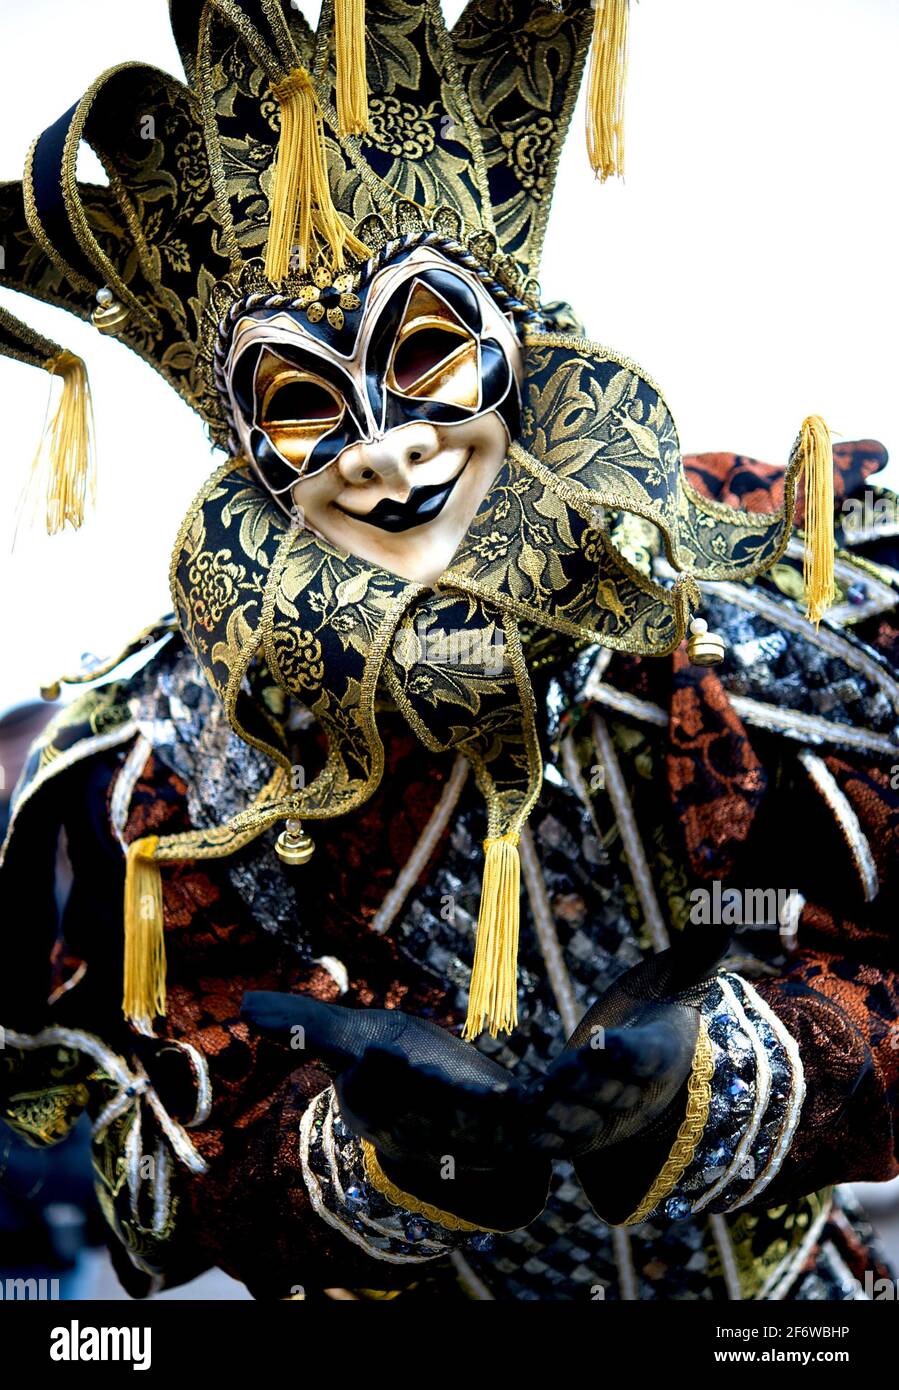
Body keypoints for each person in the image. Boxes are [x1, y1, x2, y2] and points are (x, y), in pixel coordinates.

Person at [1, 0, 896, 1301]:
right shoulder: (195, 757)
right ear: (247, 460)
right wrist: (364, 1156)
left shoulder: (768, 581)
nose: (380, 444)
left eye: (423, 351)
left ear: (517, 339)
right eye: (303, 404)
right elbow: (170, 1157)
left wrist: (745, 1068)